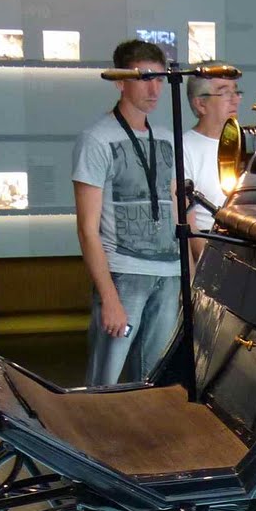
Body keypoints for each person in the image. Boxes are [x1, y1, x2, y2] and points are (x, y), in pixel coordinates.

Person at [72, 38, 180, 385]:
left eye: (160, 79)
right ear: (120, 81)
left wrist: (188, 278)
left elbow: (177, 209)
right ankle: (90, 439)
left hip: (168, 274)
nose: (154, 88)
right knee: (105, 381)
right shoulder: (97, 139)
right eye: (144, 78)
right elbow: (88, 229)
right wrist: (109, 297)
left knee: (154, 380)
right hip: (124, 274)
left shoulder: (165, 138)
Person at [182, 70, 243, 262]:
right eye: (224, 92)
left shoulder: (247, 143)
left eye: (236, 92)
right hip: (209, 245)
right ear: (201, 103)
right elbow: (187, 221)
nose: (235, 100)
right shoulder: (184, 146)